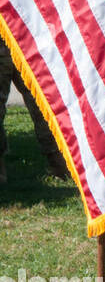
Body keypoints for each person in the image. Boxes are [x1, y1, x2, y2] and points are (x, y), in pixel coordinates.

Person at [0, 43, 68, 185]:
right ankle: (62, 166)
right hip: (22, 39)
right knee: (43, 104)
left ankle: (62, 165)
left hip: (21, 41)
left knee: (43, 104)